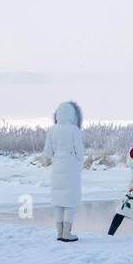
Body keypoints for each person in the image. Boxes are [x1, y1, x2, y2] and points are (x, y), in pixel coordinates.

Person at [45, 101, 85, 242]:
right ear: (72, 115)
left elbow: (47, 152)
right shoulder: (74, 130)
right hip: (71, 168)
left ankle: (59, 232)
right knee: (69, 202)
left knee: (59, 203)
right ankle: (67, 233)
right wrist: (78, 160)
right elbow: (80, 152)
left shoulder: (52, 130)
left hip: (57, 167)